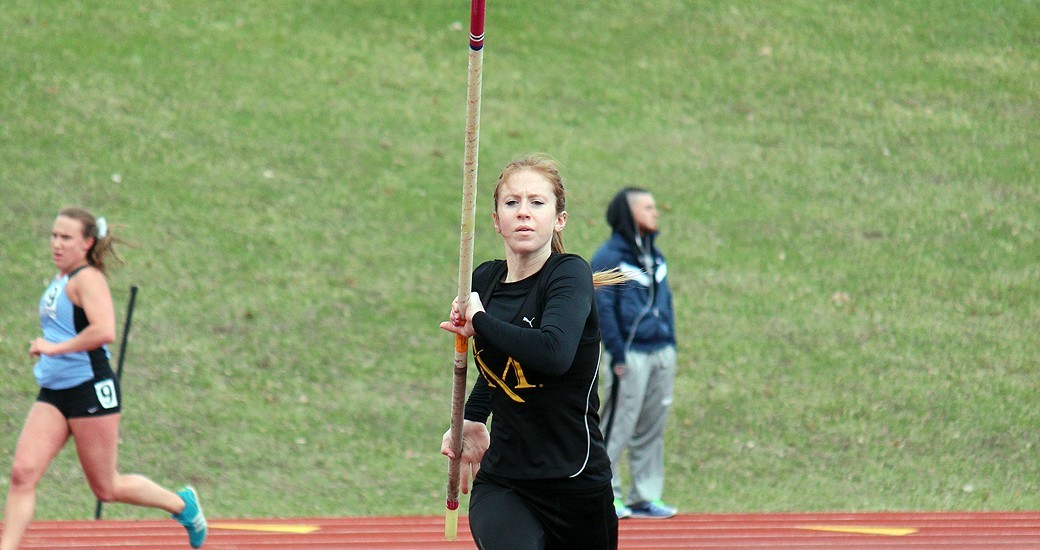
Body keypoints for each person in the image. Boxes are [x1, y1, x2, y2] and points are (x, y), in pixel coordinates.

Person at [439, 155, 625, 549]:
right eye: (512, 203)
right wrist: (472, 418)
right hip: (505, 482)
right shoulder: (483, 281)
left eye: (537, 203)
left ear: (559, 219)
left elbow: (553, 353)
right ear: (496, 220)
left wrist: (481, 320)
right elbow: (504, 367)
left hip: (575, 482)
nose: (523, 212)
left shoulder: (568, 275)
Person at [1, 207, 207, 550]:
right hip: (54, 391)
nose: (56, 243)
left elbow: (104, 331)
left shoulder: (88, 279)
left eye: (66, 238)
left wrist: (54, 348)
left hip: (89, 390)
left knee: (106, 487)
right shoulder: (60, 279)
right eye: (54, 235)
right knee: (23, 473)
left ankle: (183, 504)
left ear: (87, 243)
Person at [591, 188, 678, 520]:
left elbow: (665, 303)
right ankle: (606, 495)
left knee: (651, 425)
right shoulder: (608, 258)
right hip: (629, 354)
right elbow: (603, 309)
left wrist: (669, 341)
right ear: (628, 214)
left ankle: (645, 495)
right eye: (648, 207)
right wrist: (617, 354)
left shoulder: (656, 258)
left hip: (661, 351)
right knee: (617, 425)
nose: (656, 212)